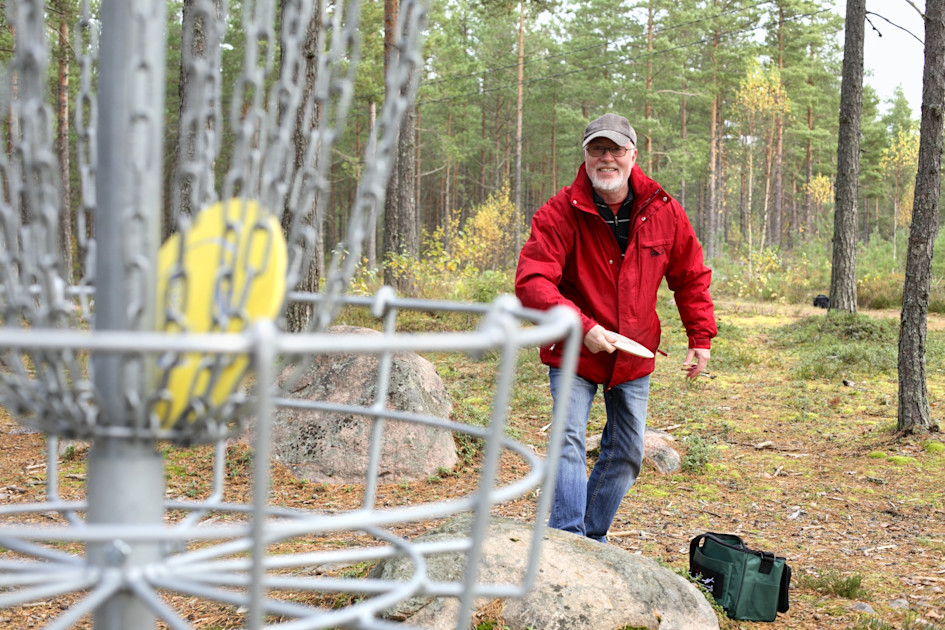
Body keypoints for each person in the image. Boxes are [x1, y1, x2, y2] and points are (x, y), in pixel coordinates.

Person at [515, 113, 716, 542]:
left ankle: (589, 537)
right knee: (567, 438)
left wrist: (700, 336)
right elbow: (531, 284)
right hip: (575, 349)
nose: (606, 158)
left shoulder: (663, 210)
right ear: (585, 155)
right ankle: (569, 538)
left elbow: (691, 275)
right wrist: (580, 325)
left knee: (626, 452)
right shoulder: (559, 213)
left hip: (633, 353)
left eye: (616, 149)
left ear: (633, 155)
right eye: (597, 149)